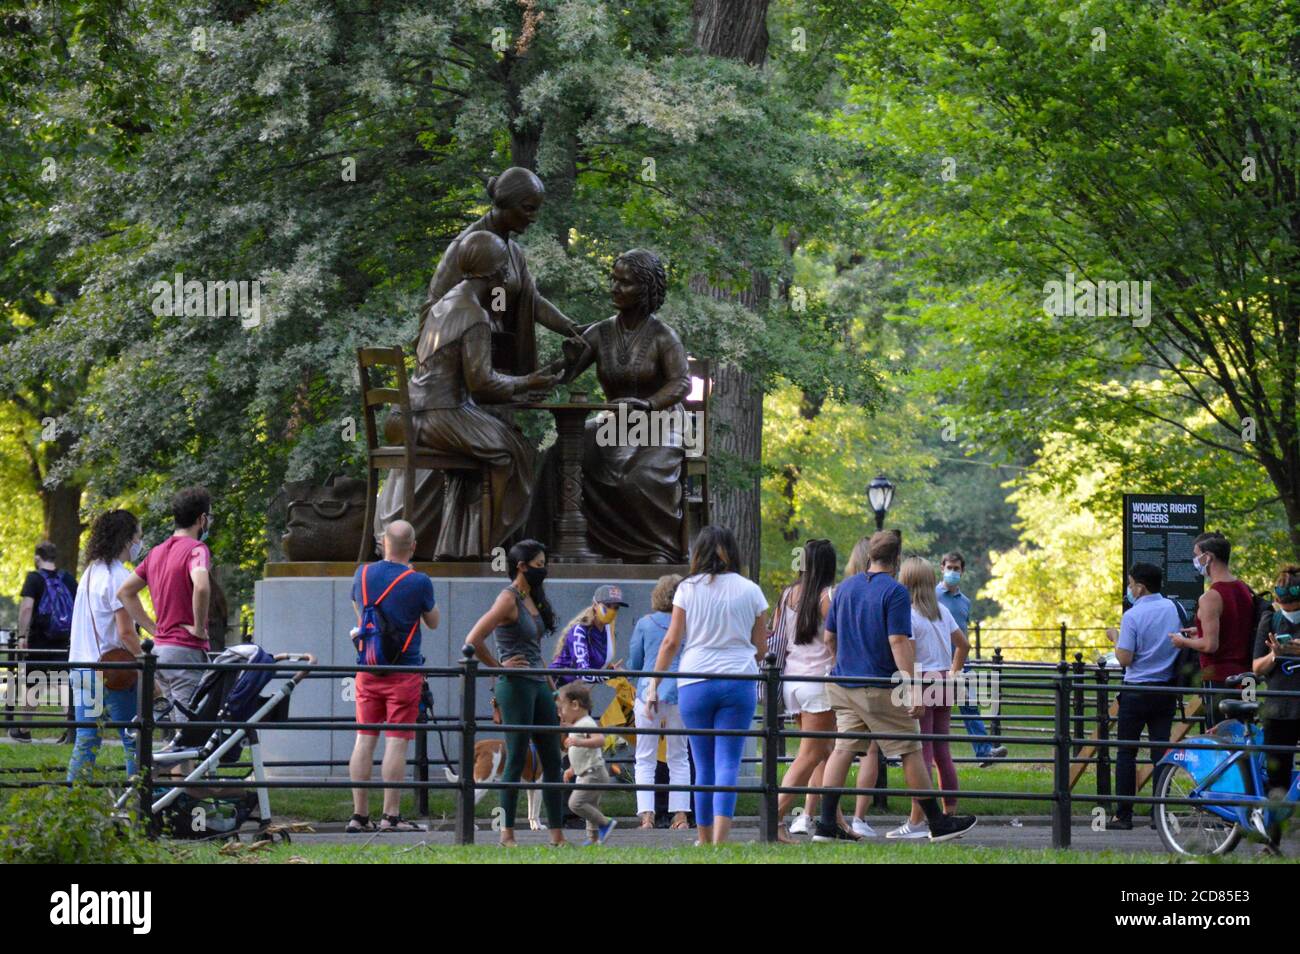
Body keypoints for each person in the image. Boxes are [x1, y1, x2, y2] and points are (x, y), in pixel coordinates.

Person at [376, 167, 584, 557]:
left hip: (475, 376)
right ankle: (472, 545)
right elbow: (435, 308)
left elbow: (529, 301)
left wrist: (568, 327)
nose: (534, 216)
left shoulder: (507, 253)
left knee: (498, 445)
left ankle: (467, 542)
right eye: (528, 208)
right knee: (508, 452)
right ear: (504, 205)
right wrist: (485, 359)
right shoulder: (469, 253)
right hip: (453, 391)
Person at [812, 530, 977, 844]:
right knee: (911, 751)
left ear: (870, 555)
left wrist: (838, 663)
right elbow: (898, 641)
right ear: (896, 559)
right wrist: (912, 686)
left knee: (843, 749)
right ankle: (937, 823)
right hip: (880, 687)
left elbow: (830, 637)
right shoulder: (896, 592)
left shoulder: (844, 589)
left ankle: (825, 824)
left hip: (845, 684)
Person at [548, 249, 691, 562]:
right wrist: (567, 364)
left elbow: (681, 383)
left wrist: (648, 404)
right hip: (613, 423)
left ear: (646, 289)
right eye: (613, 280)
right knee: (559, 454)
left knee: (640, 478)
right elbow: (564, 373)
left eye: (624, 283)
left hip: (661, 422)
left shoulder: (664, 336)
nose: (614, 288)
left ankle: (658, 548)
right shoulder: (600, 331)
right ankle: (572, 544)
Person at [647, 525, 767, 845]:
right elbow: (761, 646)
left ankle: (703, 837)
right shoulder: (751, 590)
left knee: (703, 764)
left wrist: (653, 685)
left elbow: (671, 642)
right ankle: (721, 839)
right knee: (729, 761)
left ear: (698, 553)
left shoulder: (687, 589)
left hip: (694, 681)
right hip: (739, 679)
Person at [464, 539, 568, 846]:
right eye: (538, 565)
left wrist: (555, 692)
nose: (543, 569)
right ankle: (507, 834)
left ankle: (557, 836)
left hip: (537, 684)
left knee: (551, 760)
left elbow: (535, 651)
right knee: (515, 756)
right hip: (516, 685)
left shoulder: (531, 598)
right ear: (521, 567)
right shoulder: (508, 599)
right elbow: (473, 639)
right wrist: (499, 667)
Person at [345, 520, 438, 833]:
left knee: (364, 739)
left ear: (383, 543)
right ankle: (390, 817)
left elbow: (362, 616)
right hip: (405, 670)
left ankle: (358, 816)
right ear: (412, 546)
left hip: (368, 667)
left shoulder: (363, 573)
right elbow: (433, 621)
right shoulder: (419, 581)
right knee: (396, 744)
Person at [117, 487, 215, 721]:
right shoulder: (197, 549)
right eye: (209, 517)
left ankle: (168, 758)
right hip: (186, 650)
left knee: (173, 728)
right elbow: (201, 585)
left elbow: (125, 592)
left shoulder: (156, 553)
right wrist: (200, 628)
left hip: (160, 652)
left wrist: (153, 628)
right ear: (202, 519)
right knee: (187, 730)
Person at [890, 557, 969, 838]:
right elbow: (964, 644)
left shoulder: (909, 615)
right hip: (944, 681)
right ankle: (949, 813)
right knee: (942, 752)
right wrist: (953, 671)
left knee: (919, 753)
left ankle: (916, 820)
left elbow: (908, 655)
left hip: (922, 681)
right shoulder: (942, 612)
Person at [67, 511, 145, 781]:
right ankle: (139, 800)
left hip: (82, 668)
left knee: (86, 740)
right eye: (138, 536)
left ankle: (73, 801)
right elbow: (125, 631)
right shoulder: (119, 577)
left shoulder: (90, 572)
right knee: (133, 738)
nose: (139, 542)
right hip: (113, 671)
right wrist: (143, 661)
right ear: (126, 540)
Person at [1103, 562, 1181, 830]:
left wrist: (1114, 637)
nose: (1129, 588)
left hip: (1136, 690)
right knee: (1160, 751)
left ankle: (1123, 815)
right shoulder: (1173, 609)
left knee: (1126, 752)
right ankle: (1158, 813)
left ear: (1140, 586)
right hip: (1165, 689)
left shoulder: (1133, 616)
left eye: (1130, 583)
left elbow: (1125, 658)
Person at [773, 539, 838, 843]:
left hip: (793, 681)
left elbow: (778, 634)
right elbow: (833, 641)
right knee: (811, 755)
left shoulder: (788, 594)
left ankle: (834, 822)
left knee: (822, 753)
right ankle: (775, 816)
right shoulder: (826, 596)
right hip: (818, 682)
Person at [626, 573, 691, 829]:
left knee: (645, 756)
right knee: (679, 755)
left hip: (648, 692)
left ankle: (647, 815)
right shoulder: (689, 624)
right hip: (681, 692)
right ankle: (680, 815)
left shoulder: (645, 623)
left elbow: (635, 661)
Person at [1171, 531, 1254, 727]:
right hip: (1246, 677)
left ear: (1208, 557)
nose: (1195, 561)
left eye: (1196, 555)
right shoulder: (1243, 589)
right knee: (1246, 730)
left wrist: (1183, 641)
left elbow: (1210, 645)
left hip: (1219, 679)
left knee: (1219, 736)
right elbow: (1233, 628)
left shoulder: (1211, 597)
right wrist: (1198, 632)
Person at [937, 551, 1007, 765]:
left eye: (956, 569)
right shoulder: (931, 597)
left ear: (962, 571)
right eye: (949, 568)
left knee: (970, 705)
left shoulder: (964, 601)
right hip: (937, 661)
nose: (952, 572)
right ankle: (922, 752)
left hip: (962, 663)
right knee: (934, 710)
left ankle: (984, 752)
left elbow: (963, 633)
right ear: (942, 568)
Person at [1252, 565, 1300, 852]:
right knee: (1277, 777)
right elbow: (1256, 667)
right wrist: (1274, 654)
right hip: (1279, 708)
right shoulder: (1270, 620)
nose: (1288, 610)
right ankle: (1273, 840)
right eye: (1284, 605)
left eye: (1293, 606)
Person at [11, 541, 77, 743]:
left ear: (38, 557)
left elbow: (26, 608)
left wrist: (22, 635)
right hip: (64, 639)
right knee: (64, 683)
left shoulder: (34, 578)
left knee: (33, 683)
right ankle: (71, 730)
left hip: (39, 640)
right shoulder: (68, 578)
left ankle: (24, 730)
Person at [558, 682, 618, 845]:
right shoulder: (578, 725)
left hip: (594, 773)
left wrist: (578, 742)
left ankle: (605, 823)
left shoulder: (586, 722)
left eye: (562, 708)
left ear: (575, 705)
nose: (561, 713)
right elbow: (582, 754)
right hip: (586, 772)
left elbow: (599, 740)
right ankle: (593, 839)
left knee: (576, 804)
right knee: (591, 806)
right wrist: (571, 768)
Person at [550, 584, 628, 686]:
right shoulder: (580, 631)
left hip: (577, 690)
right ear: (595, 605)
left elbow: (596, 668)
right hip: (556, 688)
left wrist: (612, 670)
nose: (612, 611)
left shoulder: (608, 630)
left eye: (616, 608)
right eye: (608, 606)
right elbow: (583, 674)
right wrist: (611, 674)